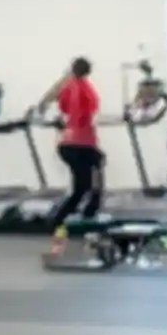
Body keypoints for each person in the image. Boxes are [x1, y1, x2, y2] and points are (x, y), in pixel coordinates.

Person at [47, 57, 104, 250]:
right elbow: (87, 111)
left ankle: (86, 213)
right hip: (80, 143)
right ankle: (61, 221)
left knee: (93, 172)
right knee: (84, 185)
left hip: (69, 143)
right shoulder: (83, 87)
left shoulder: (68, 86)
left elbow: (64, 107)